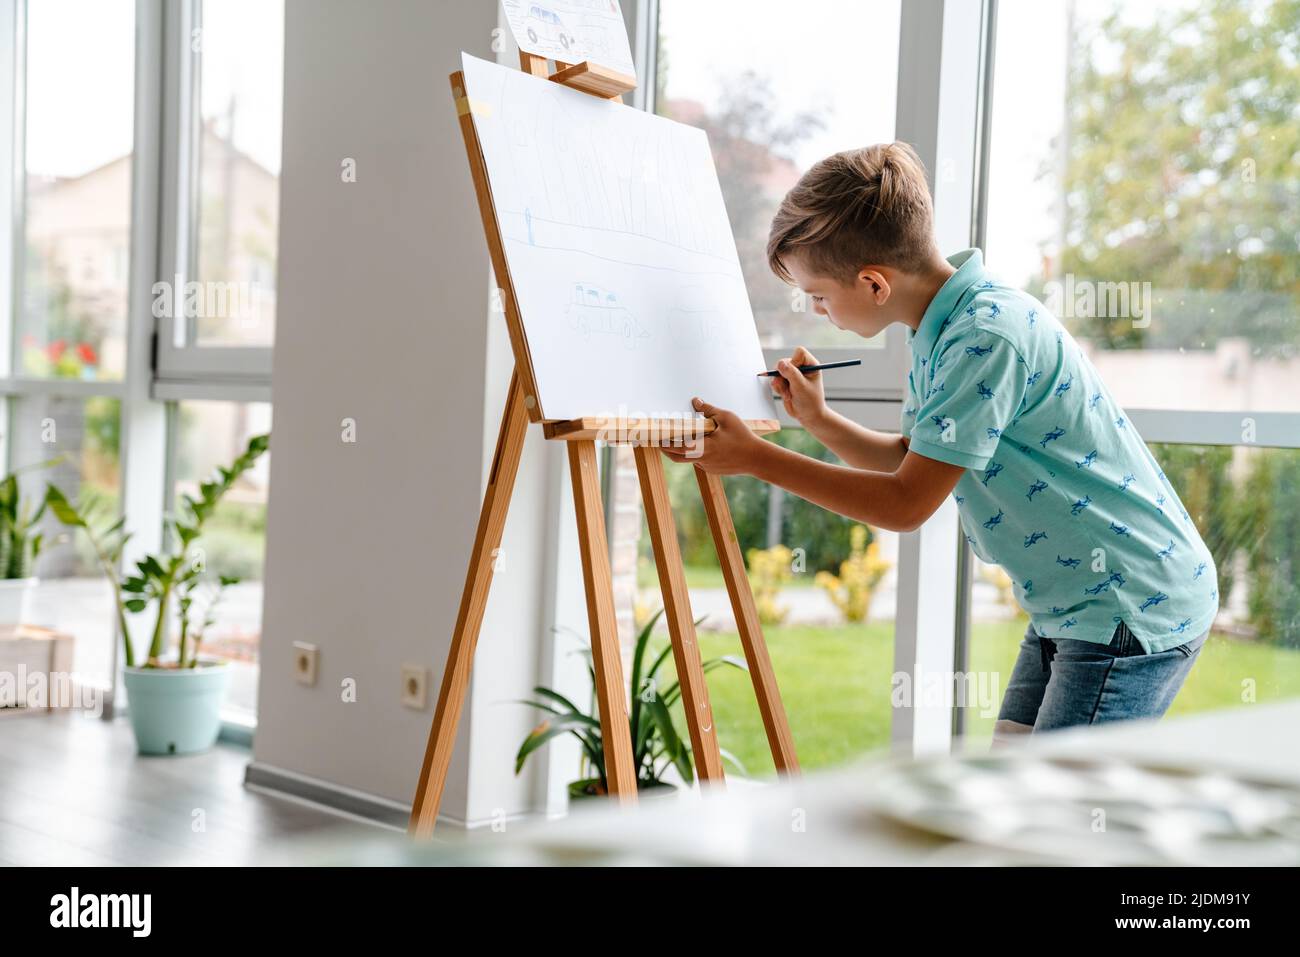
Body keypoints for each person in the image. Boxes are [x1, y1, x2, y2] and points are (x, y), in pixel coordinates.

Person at [663, 142, 1217, 741]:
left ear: (874, 283)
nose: (819, 311)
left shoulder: (983, 337)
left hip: (1128, 603)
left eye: (819, 295)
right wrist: (819, 421)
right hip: (1073, 602)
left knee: (1053, 818)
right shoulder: (944, 327)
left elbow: (905, 504)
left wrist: (756, 459)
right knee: (1013, 782)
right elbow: (911, 458)